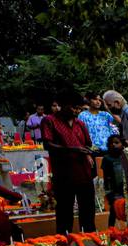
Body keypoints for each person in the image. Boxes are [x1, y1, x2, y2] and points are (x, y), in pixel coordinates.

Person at [40, 90, 97, 235]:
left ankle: (90, 242)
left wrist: (88, 152)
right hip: (64, 174)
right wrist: (72, 149)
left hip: (84, 173)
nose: (77, 111)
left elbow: (88, 144)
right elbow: (48, 145)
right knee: (65, 212)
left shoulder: (80, 124)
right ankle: (64, 244)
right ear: (63, 105)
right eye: (74, 108)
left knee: (88, 212)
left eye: (79, 108)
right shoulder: (50, 121)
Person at [100, 133, 128, 225]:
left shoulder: (126, 156)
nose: (114, 145)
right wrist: (109, 193)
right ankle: (111, 232)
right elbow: (106, 178)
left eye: (117, 142)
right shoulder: (107, 158)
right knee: (113, 212)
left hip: (127, 190)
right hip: (115, 192)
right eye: (111, 143)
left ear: (122, 144)